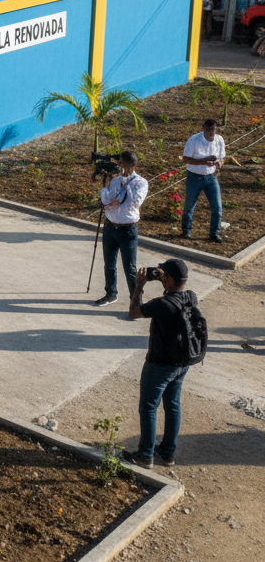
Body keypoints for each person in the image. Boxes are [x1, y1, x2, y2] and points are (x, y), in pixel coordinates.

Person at [125, 258, 202, 468]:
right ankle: (167, 453)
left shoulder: (161, 304)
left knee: (149, 407)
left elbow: (133, 311)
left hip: (159, 365)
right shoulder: (191, 297)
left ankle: (145, 455)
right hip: (182, 362)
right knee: (172, 405)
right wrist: (164, 279)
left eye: (162, 274)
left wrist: (139, 286)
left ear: (167, 278)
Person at [94, 151, 149, 307]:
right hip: (111, 226)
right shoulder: (115, 180)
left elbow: (134, 202)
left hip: (127, 229)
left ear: (131, 165)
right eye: (119, 164)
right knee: (109, 263)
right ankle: (111, 293)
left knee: (129, 266)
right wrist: (109, 186)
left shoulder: (140, 183)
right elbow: (106, 198)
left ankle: (136, 300)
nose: (120, 167)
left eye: (123, 164)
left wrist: (125, 188)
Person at [181, 119, 225, 242]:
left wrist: (218, 164)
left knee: (217, 207)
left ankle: (214, 233)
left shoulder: (219, 140)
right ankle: (186, 231)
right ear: (203, 128)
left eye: (213, 129)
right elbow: (186, 159)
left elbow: (222, 158)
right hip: (194, 176)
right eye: (208, 129)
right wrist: (202, 162)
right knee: (189, 205)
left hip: (211, 177)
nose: (211, 132)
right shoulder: (194, 140)